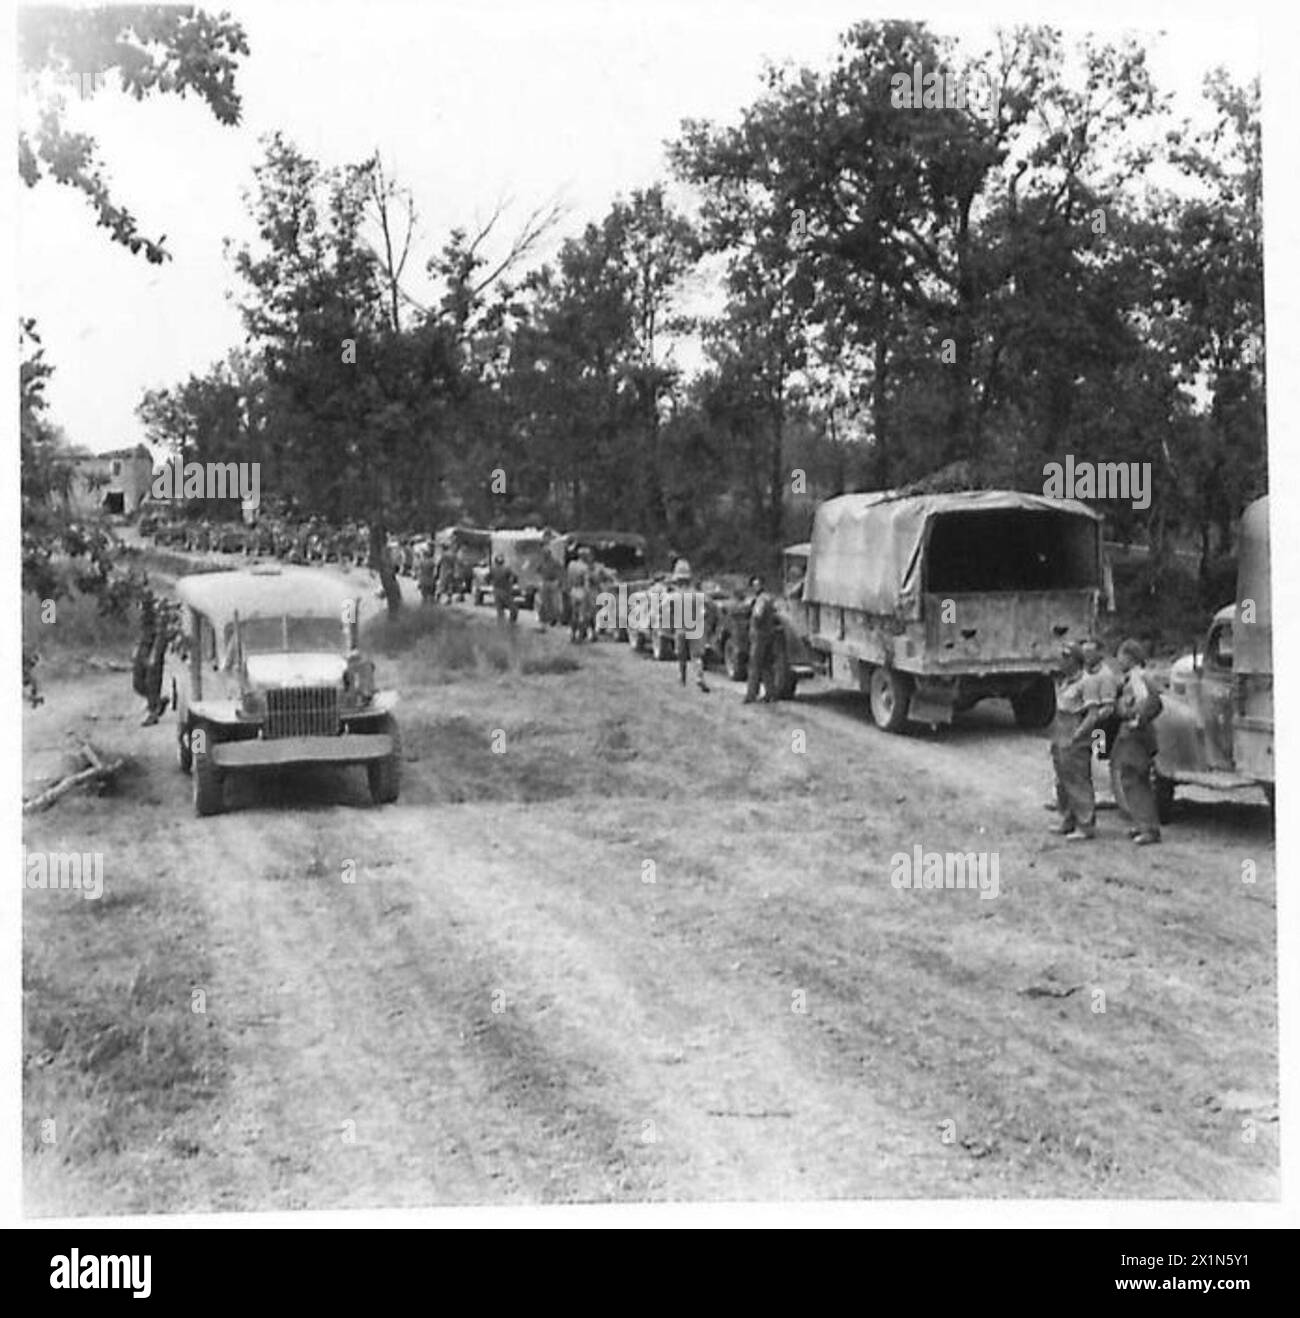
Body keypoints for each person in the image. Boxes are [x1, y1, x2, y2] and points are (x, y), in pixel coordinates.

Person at [1113, 638, 1164, 845]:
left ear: (1129, 657)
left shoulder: (1136, 678)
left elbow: (1148, 702)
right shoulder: (1138, 677)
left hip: (1135, 736)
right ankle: (1143, 823)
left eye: (1120, 656)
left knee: (1133, 779)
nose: (1118, 660)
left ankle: (1148, 828)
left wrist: (1136, 718)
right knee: (1136, 780)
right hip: (1138, 735)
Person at [1048, 643, 1098, 839]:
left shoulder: (1087, 682)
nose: (1061, 661)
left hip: (1075, 733)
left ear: (1074, 661)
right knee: (1062, 780)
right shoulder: (1066, 681)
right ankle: (1068, 818)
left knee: (1078, 780)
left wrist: (1077, 735)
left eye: (1065, 658)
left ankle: (1085, 824)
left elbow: (1092, 715)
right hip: (1061, 731)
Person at [1081, 639, 1126, 819]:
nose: (1086, 656)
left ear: (1100, 653)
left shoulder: (1105, 676)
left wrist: (1092, 720)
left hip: (1100, 725)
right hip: (1088, 722)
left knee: (1098, 758)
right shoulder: (1085, 673)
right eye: (1085, 652)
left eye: (1090, 652)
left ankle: (1104, 794)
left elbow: (1108, 707)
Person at [670, 561, 709, 692]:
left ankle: (682, 678)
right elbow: (704, 612)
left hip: (680, 628)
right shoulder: (696, 595)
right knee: (696, 656)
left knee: (681, 656)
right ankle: (699, 677)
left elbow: (669, 613)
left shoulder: (674, 596)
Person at [743, 575, 777, 704]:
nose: (755, 587)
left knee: (754, 666)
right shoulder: (769, 598)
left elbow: (758, 615)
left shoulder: (761, 600)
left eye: (756, 585)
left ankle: (751, 695)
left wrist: (753, 623)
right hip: (769, 634)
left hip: (759, 637)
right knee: (766, 666)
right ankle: (771, 694)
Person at [567, 548, 593, 643]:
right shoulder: (585, 567)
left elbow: (569, 579)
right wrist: (588, 595)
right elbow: (586, 584)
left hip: (573, 590)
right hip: (581, 591)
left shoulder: (571, 564)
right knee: (582, 615)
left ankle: (572, 635)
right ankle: (580, 636)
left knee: (574, 614)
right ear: (585, 557)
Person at [538, 535, 563, 628]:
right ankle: (544, 620)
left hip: (553, 582)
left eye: (546, 553)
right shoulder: (542, 562)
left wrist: (559, 581)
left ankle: (555, 619)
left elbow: (561, 571)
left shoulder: (555, 562)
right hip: (545, 582)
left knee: (555, 603)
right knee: (544, 602)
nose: (544, 555)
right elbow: (538, 570)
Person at [490, 554, 519, 625]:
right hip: (505, 591)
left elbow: (487, 578)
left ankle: (501, 625)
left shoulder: (492, 569)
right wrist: (512, 582)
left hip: (496, 591)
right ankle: (512, 623)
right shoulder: (507, 569)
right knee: (513, 609)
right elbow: (515, 577)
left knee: (500, 610)